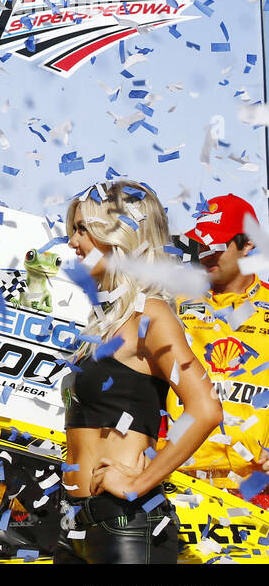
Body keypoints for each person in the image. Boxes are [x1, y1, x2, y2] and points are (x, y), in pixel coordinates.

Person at [57, 181, 222, 563]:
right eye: (74, 230)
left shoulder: (152, 315)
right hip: (74, 524)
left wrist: (140, 482)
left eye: (83, 229)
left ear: (118, 235)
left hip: (126, 524)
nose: (73, 242)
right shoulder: (102, 322)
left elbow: (207, 409)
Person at [163, 194, 269, 506]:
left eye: (218, 244)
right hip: (179, 483)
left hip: (255, 490)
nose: (207, 253)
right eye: (201, 242)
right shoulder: (172, 303)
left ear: (248, 243)